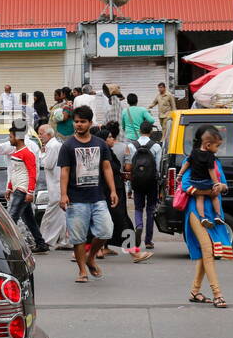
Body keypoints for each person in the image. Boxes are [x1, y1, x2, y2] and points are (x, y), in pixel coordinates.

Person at [58, 105, 117, 283]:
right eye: (76, 122)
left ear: (90, 123)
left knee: (106, 231)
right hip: (76, 199)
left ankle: (91, 258)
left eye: (83, 122)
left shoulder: (100, 144)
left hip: (98, 197)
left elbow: (107, 168)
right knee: (78, 238)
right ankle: (82, 270)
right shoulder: (68, 145)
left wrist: (113, 190)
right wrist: (63, 194)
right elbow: (65, 172)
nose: (79, 125)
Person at [181, 125, 231, 308]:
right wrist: (210, 191)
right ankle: (217, 294)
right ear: (206, 143)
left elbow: (224, 184)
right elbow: (186, 186)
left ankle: (195, 291)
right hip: (196, 211)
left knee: (206, 252)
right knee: (208, 249)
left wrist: (221, 187)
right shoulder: (192, 159)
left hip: (213, 212)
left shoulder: (215, 162)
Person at [0, 124, 49, 254]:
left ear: (17, 137)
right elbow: (14, 172)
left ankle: (6, 247)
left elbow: (32, 173)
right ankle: (41, 243)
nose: (9, 139)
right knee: (29, 220)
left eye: (10, 137)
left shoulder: (28, 152)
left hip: (22, 191)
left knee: (11, 219)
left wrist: (30, 191)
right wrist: (9, 188)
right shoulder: (15, 152)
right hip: (17, 188)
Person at [100, 127, 152, 264]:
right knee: (123, 223)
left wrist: (122, 175)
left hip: (116, 191)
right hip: (112, 193)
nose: (113, 139)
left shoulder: (108, 152)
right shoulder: (103, 155)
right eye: (110, 137)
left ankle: (93, 250)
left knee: (110, 222)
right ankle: (134, 253)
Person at [125, 120, 163, 250]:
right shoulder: (156, 146)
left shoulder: (131, 146)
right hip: (151, 182)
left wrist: (129, 188)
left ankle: (139, 226)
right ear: (150, 132)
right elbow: (158, 167)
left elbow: (129, 168)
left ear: (140, 131)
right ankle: (148, 240)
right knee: (151, 209)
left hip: (137, 181)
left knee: (138, 208)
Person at [36, 125, 71, 250]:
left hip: (56, 185)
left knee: (51, 215)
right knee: (61, 215)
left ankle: (44, 239)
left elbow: (48, 164)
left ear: (49, 134)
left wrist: (41, 154)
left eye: (41, 134)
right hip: (56, 184)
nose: (40, 136)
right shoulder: (54, 145)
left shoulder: (52, 146)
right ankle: (64, 240)